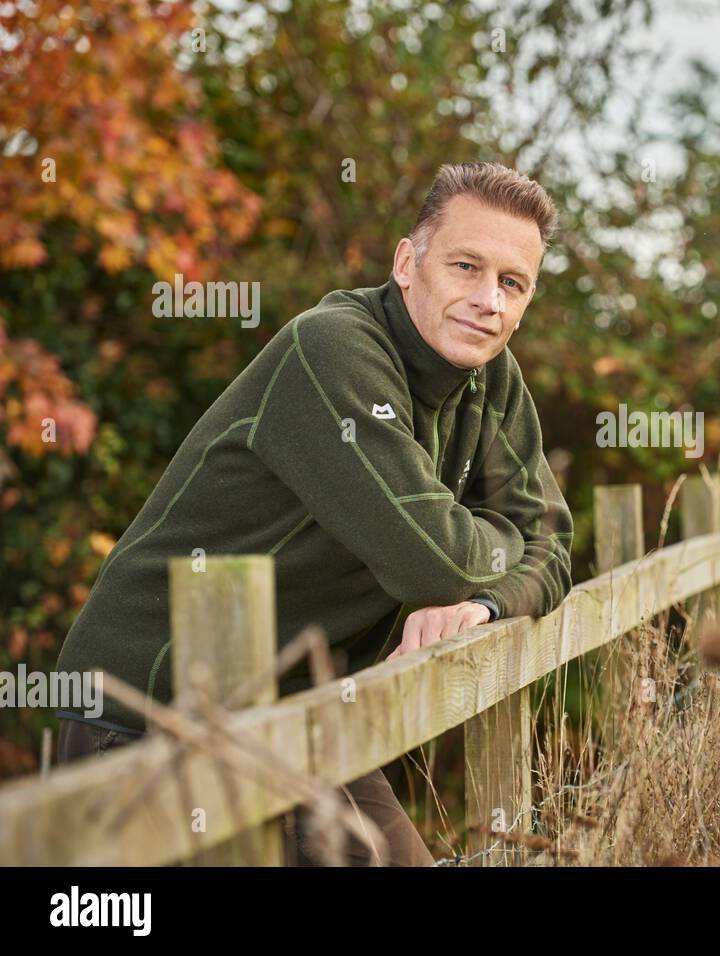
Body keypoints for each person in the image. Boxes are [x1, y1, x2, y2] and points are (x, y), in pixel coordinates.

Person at [53, 161, 574, 865]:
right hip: (149, 709)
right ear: (406, 264)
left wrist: (485, 603)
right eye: (465, 266)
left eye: (513, 283)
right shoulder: (333, 350)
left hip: (303, 713)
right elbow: (434, 560)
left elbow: (552, 542)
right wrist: (488, 557)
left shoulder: (493, 382)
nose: (488, 299)